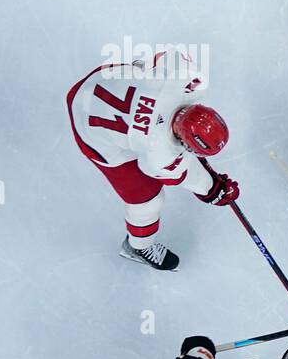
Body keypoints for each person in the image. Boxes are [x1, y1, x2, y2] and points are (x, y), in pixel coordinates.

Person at [66, 49, 240, 271]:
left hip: (98, 81)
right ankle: (138, 246)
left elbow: (166, 56)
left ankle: (137, 83)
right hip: (91, 131)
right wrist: (213, 189)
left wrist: (150, 79)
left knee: (145, 75)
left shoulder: (187, 78)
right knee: (147, 199)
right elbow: (180, 175)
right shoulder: (160, 153)